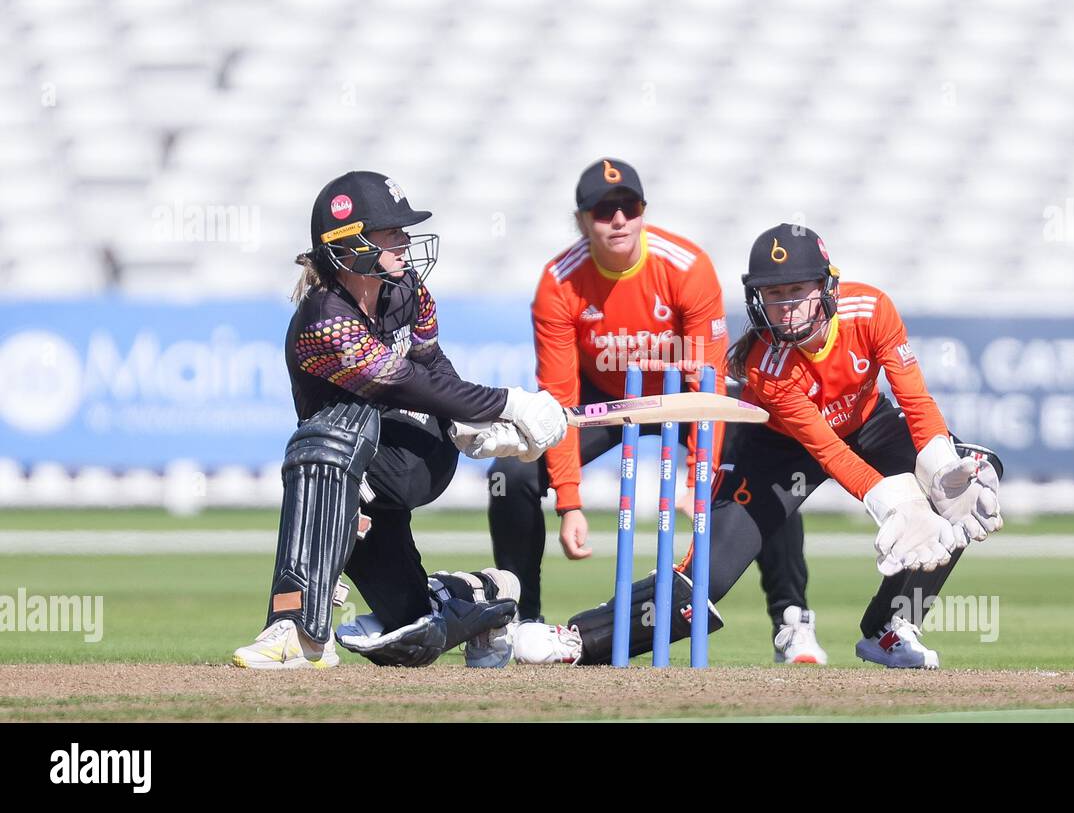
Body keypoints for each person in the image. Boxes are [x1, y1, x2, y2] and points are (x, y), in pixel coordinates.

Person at [514, 223, 1003, 668]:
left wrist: (939, 468)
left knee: (970, 480)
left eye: (797, 292)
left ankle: (890, 629)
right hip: (779, 448)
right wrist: (893, 503)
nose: (786, 308)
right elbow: (826, 452)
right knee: (702, 585)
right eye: (774, 295)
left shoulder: (871, 309)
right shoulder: (764, 367)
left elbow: (915, 400)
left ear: (827, 288)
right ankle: (578, 638)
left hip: (866, 420)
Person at [486, 159, 828, 664]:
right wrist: (570, 503)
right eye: (604, 211)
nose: (619, 219)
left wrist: (699, 475)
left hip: (687, 400)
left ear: (643, 212)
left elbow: (704, 382)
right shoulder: (559, 283)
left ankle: (791, 621)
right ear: (582, 220)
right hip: (601, 403)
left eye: (630, 207)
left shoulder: (685, 266)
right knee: (511, 472)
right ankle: (522, 624)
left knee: (770, 460)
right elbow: (556, 403)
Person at [232, 170, 568, 670]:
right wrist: (507, 404)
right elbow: (405, 383)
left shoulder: (409, 290)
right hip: (355, 484)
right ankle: (483, 597)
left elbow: (432, 367)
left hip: (409, 457)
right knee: (410, 636)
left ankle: (298, 628)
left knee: (323, 439)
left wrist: (464, 427)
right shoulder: (324, 320)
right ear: (352, 244)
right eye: (392, 234)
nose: (406, 243)